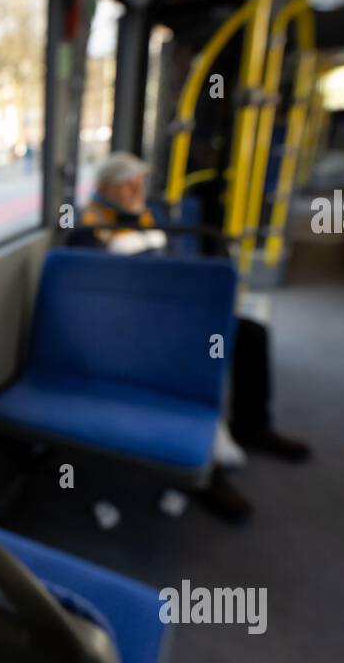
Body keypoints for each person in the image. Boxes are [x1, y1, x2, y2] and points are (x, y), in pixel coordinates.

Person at [73, 152, 312, 522]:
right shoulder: (89, 230)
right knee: (195, 360)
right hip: (132, 328)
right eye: (127, 183)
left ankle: (253, 424)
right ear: (104, 188)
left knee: (251, 333)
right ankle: (206, 468)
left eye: (140, 181)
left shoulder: (148, 216)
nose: (138, 189)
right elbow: (99, 294)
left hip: (173, 311)